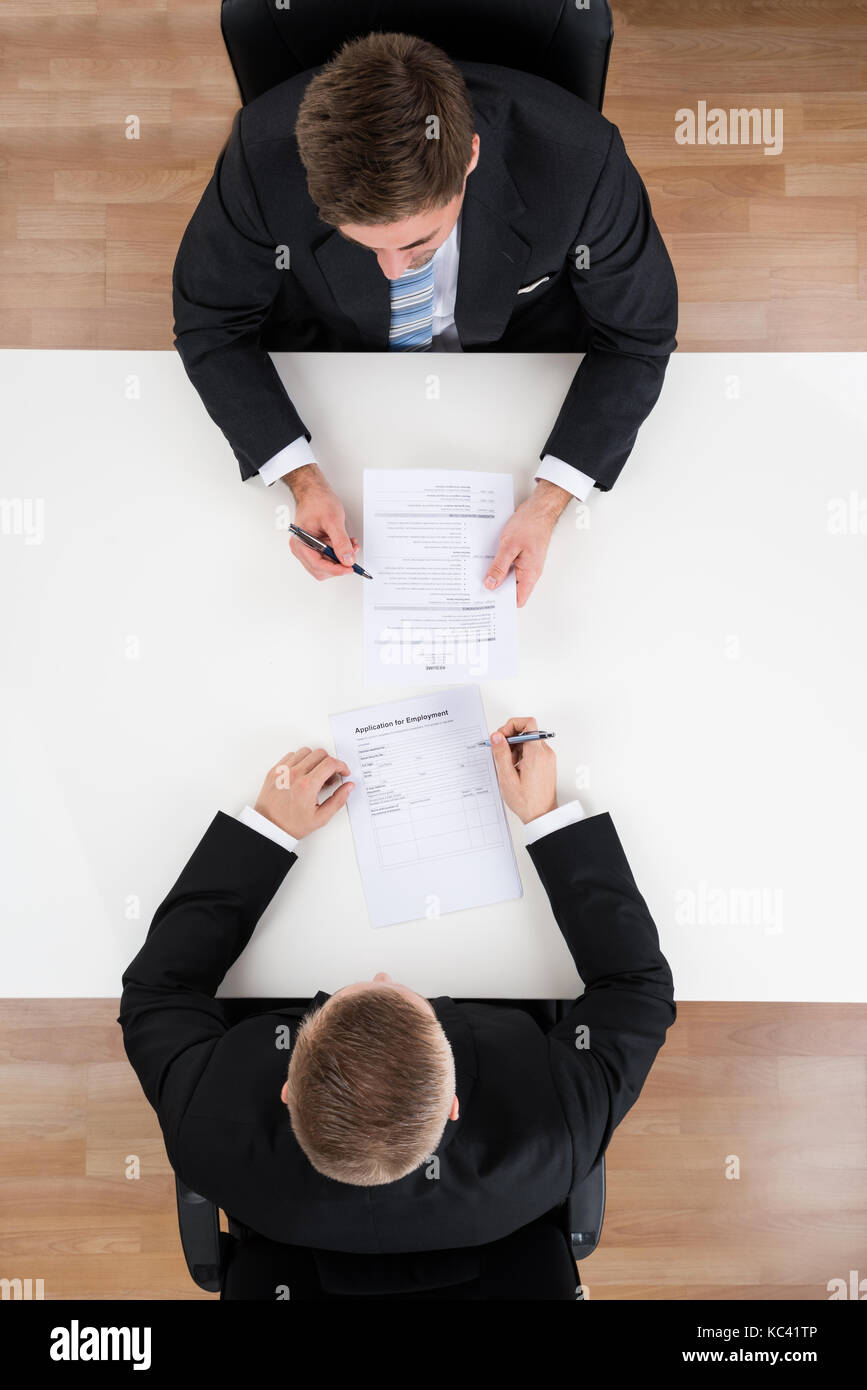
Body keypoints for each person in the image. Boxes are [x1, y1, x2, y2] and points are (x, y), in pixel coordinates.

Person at [118, 719, 676, 1257]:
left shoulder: (205, 1127)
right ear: (454, 1100)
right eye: (412, 1003)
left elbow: (159, 990)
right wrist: (545, 817)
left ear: (287, 1089)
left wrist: (269, 827)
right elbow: (637, 987)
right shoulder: (557, 1133)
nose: (383, 975)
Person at [172, 32, 678, 607]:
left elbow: (638, 336)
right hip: (340, 361)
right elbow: (211, 323)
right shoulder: (260, 154)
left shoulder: (582, 160)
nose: (392, 273)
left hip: (517, 365)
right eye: (366, 246)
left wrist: (549, 502)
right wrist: (302, 479)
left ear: (469, 158)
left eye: (417, 244)